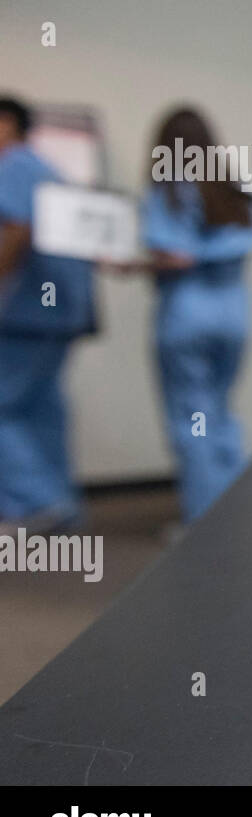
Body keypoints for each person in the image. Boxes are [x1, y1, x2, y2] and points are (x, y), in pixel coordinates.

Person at [141, 107, 252, 523]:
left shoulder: (171, 188)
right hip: (234, 314)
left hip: (186, 316)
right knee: (221, 412)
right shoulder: (234, 189)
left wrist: (129, 265)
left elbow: (175, 256)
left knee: (193, 419)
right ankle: (232, 513)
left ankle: (203, 526)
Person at [0, 95, 96, 532]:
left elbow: (18, 227)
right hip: (61, 312)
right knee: (43, 408)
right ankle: (58, 503)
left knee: (6, 407)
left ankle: (36, 503)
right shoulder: (46, 168)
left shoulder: (15, 165)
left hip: (29, 311)